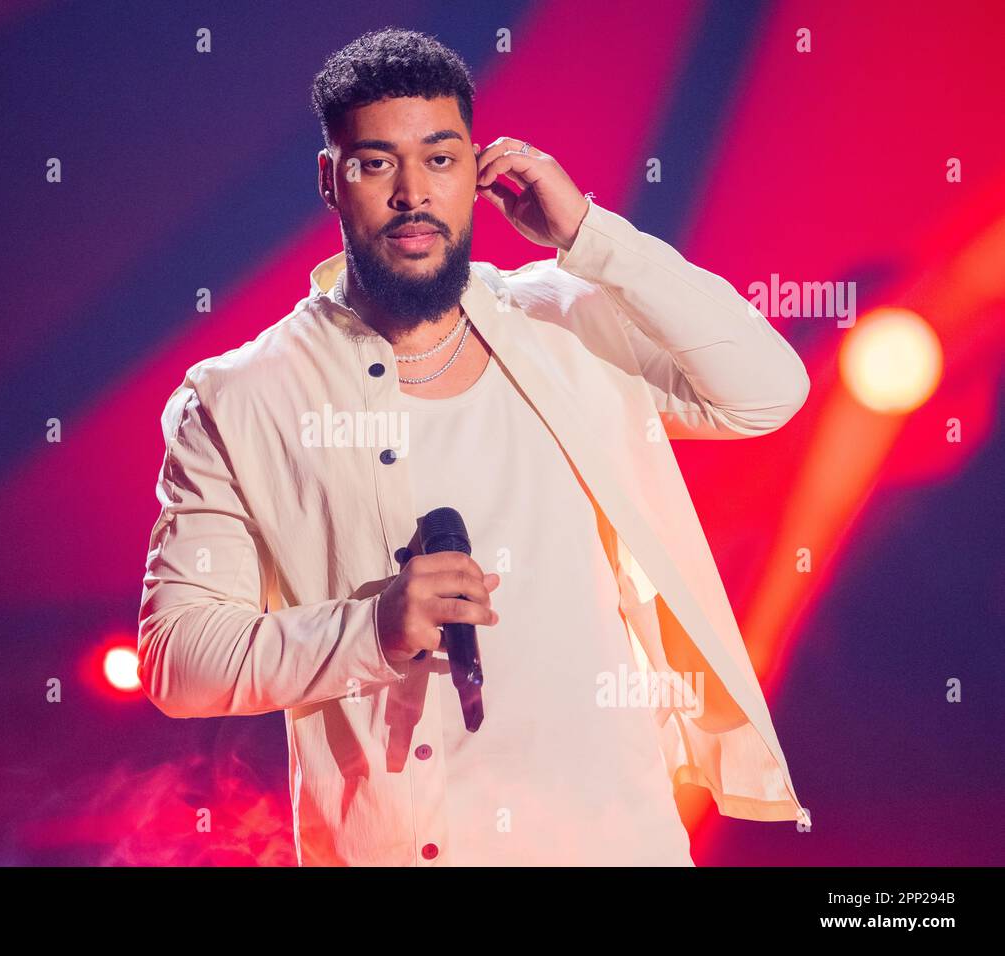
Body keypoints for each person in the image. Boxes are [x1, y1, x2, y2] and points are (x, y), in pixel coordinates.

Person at [138, 27, 811, 866]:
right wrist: (371, 628)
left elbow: (768, 392)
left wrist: (591, 235)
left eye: (442, 158)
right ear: (330, 180)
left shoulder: (567, 322)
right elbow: (177, 659)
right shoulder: (240, 397)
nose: (413, 193)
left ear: (479, 170)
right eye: (376, 163)